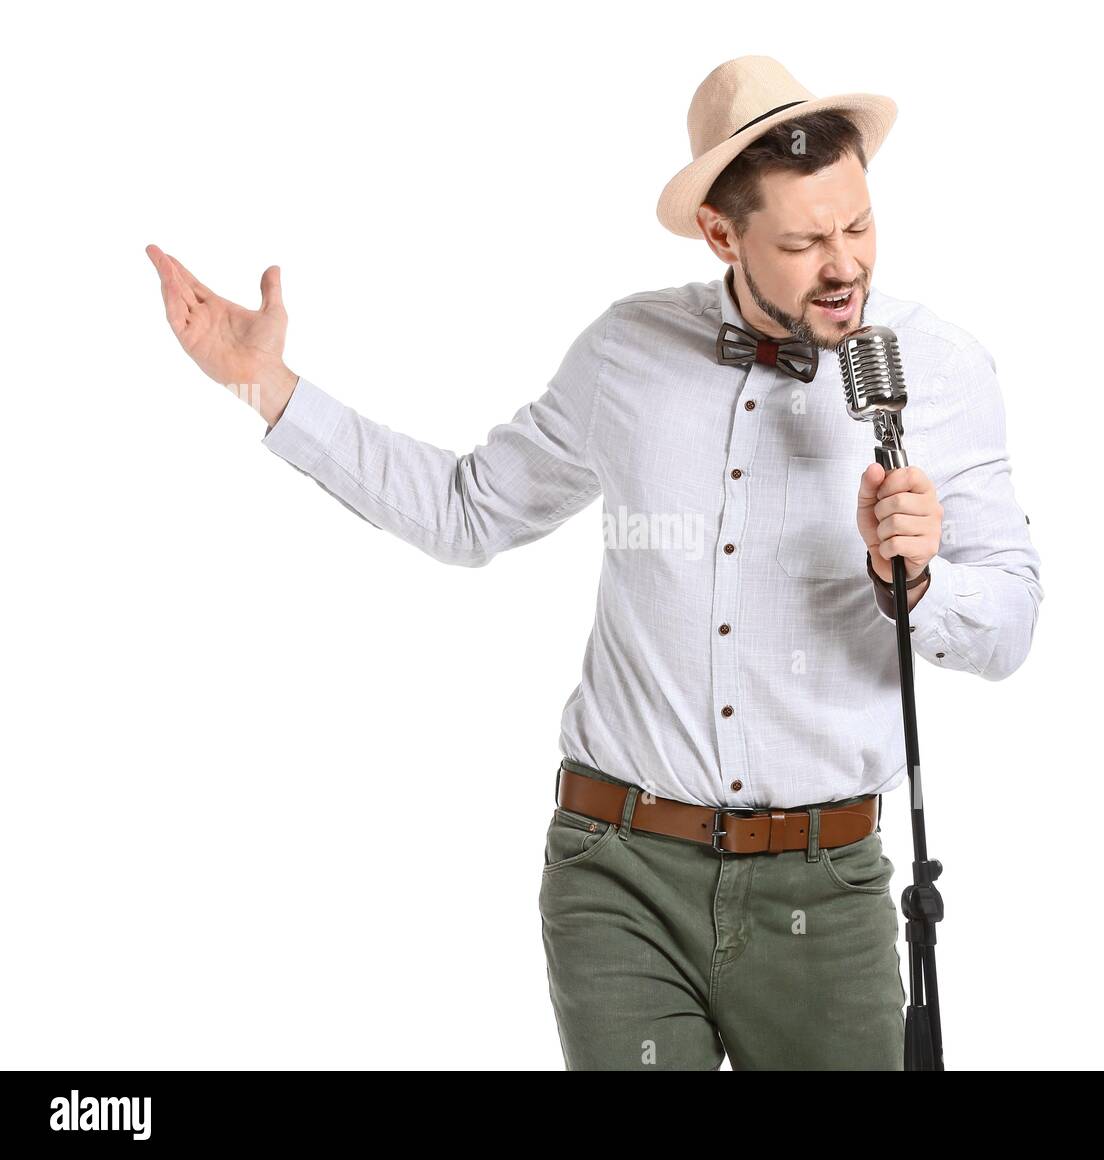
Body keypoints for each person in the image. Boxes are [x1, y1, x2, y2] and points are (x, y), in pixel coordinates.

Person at [146, 54, 1043, 1070]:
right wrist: (270, 387)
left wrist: (922, 578)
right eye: (800, 240)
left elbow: (1010, 621)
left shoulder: (939, 370)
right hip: (617, 871)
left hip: (822, 892)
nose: (844, 264)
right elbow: (467, 510)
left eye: (857, 226)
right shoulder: (627, 352)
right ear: (720, 233)